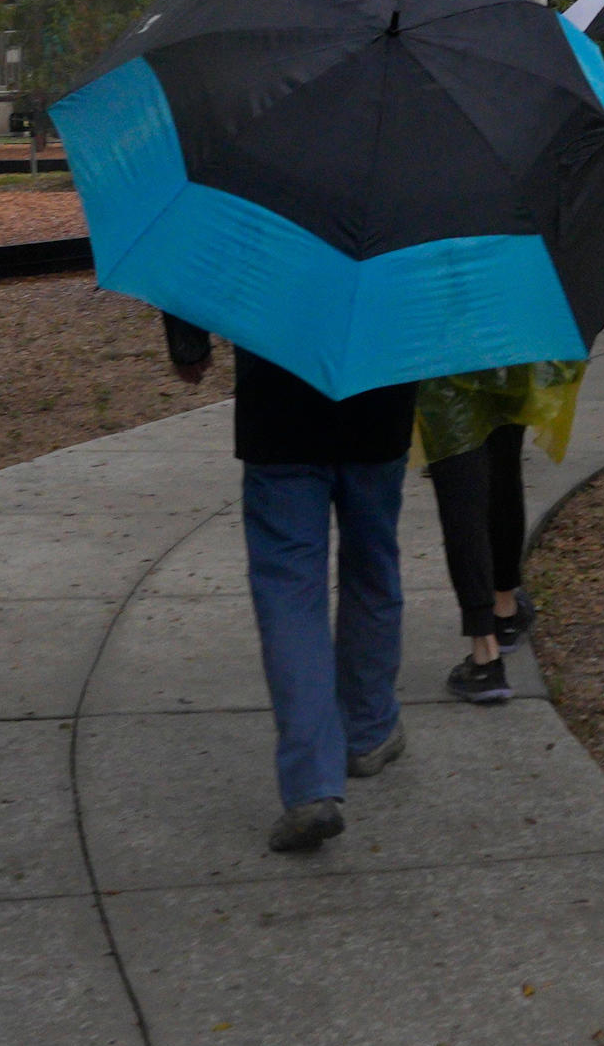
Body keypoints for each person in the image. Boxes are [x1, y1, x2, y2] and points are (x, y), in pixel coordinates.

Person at [161, 313, 414, 852]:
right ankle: (369, 728)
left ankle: (310, 786)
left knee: (289, 590)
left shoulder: (262, 219)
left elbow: (203, 236)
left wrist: (187, 341)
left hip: (278, 397)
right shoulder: (410, 221)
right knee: (373, 563)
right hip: (380, 387)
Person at [416, 361, 577, 705]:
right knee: (503, 464)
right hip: (503, 344)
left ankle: (484, 651)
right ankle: (504, 609)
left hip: (440, 354)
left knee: (460, 485)